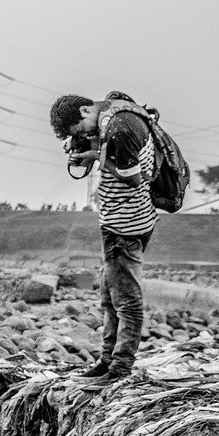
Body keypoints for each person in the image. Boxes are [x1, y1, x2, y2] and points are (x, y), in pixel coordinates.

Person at [49, 91, 157, 386]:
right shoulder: (111, 119)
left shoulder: (120, 128)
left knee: (127, 301)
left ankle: (120, 368)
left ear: (86, 110)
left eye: (80, 130)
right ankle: (106, 361)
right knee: (109, 297)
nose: (85, 135)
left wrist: (96, 155)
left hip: (126, 225)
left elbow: (133, 177)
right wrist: (90, 152)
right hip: (117, 223)